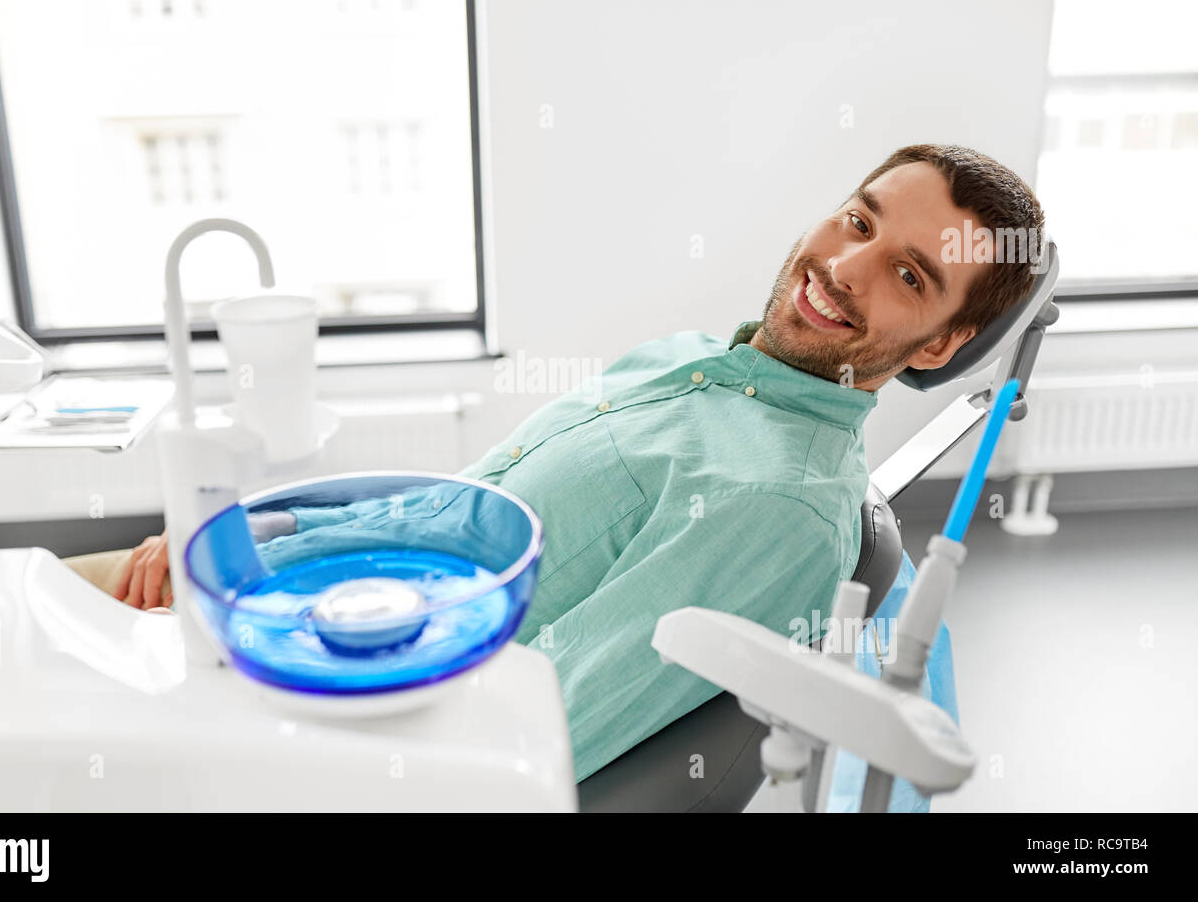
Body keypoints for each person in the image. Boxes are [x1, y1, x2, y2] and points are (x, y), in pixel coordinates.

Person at [67, 143, 1044, 783]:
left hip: (327, 713)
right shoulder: (696, 364)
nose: (845, 264)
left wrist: (284, 735)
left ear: (934, 346)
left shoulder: (775, 504)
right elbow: (451, 518)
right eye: (859, 219)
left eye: (909, 274)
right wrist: (252, 541)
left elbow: (552, 722)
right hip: (289, 596)